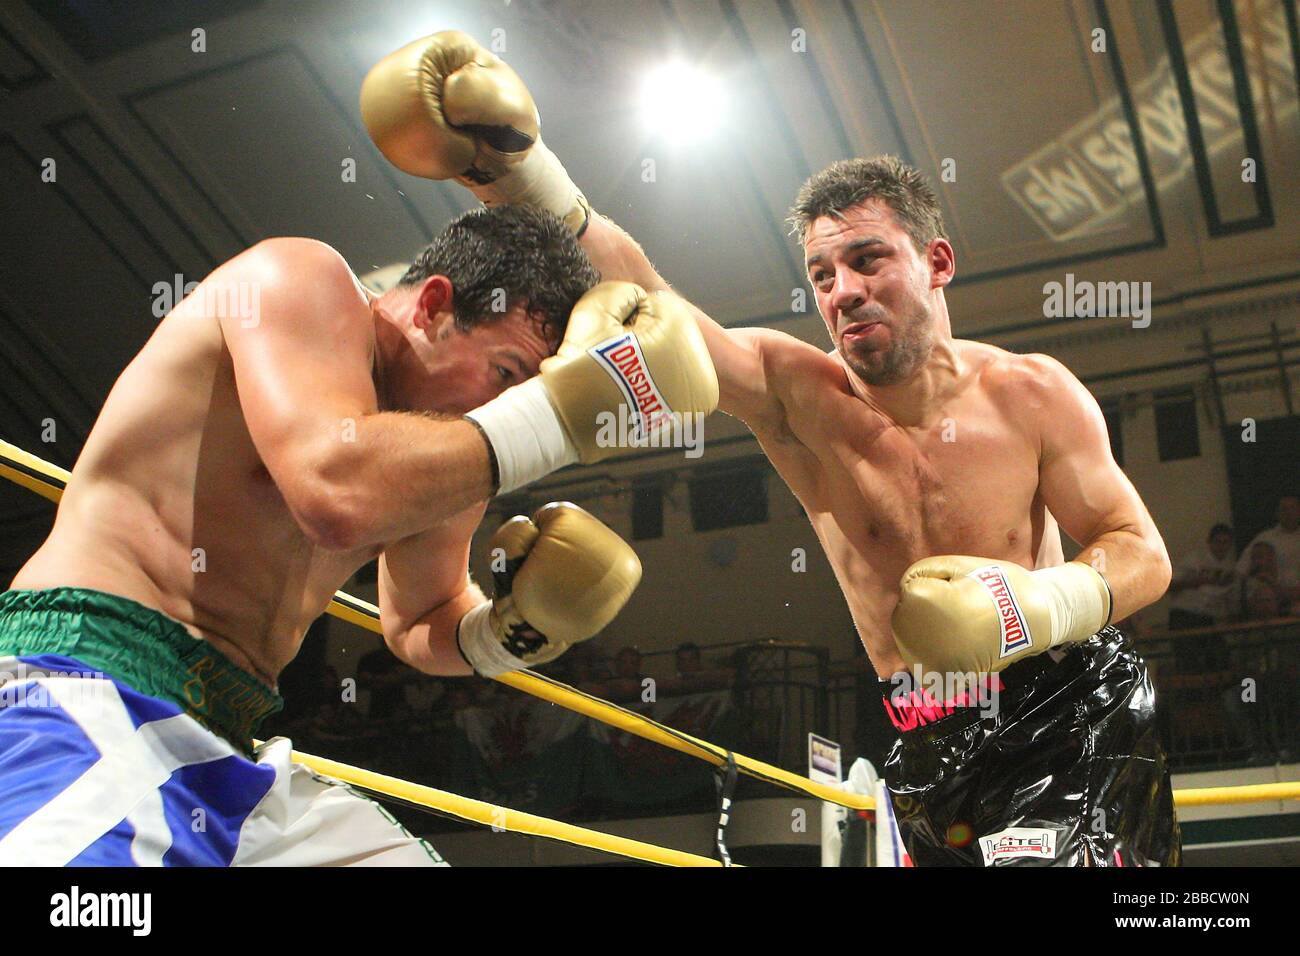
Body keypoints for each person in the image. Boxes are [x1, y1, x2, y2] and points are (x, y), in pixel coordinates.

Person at [361, 32, 1181, 865]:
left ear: (936, 262)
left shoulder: (1032, 393)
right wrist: (518, 169)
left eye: (868, 260)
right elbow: (654, 302)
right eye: (823, 275)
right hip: (924, 728)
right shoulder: (799, 398)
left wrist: (1031, 608)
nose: (845, 291)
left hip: (1064, 702)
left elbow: (1141, 554)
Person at [0, 201, 718, 866]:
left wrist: (510, 631)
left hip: (224, 740)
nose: (505, 410)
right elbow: (333, 490)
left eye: (523, 396)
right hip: (89, 678)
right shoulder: (298, 280)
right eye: (507, 373)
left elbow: (420, 621)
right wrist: (564, 415)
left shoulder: (448, 448)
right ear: (435, 305)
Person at [1167, 524, 1238, 629]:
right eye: (1218, 542)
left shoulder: (1230, 566)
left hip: (1212, 618)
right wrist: (1196, 582)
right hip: (1185, 615)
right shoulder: (1194, 559)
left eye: (1225, 542)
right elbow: (1169, 585)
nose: (1221, 547)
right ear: (1209, 542)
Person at [1236, 496, 1300, 611]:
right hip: (1271, 601)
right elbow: (1241, 570)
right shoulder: (1265, 538)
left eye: (1292, 508)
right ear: (1277, 514)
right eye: (1284, 509)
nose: (1289, 512)